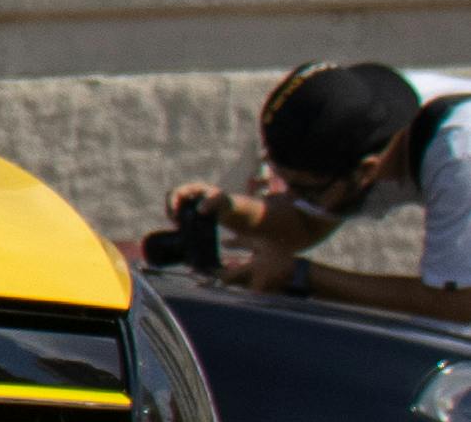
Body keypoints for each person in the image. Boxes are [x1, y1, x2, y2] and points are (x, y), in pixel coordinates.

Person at [158, 63, 471, 322]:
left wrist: (303, 276)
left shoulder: (459, 155)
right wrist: (227, 207)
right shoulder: (373, 116)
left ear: (366, 170)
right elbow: (304, 224)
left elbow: (456, 305)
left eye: (306, 189)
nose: (295, 197)